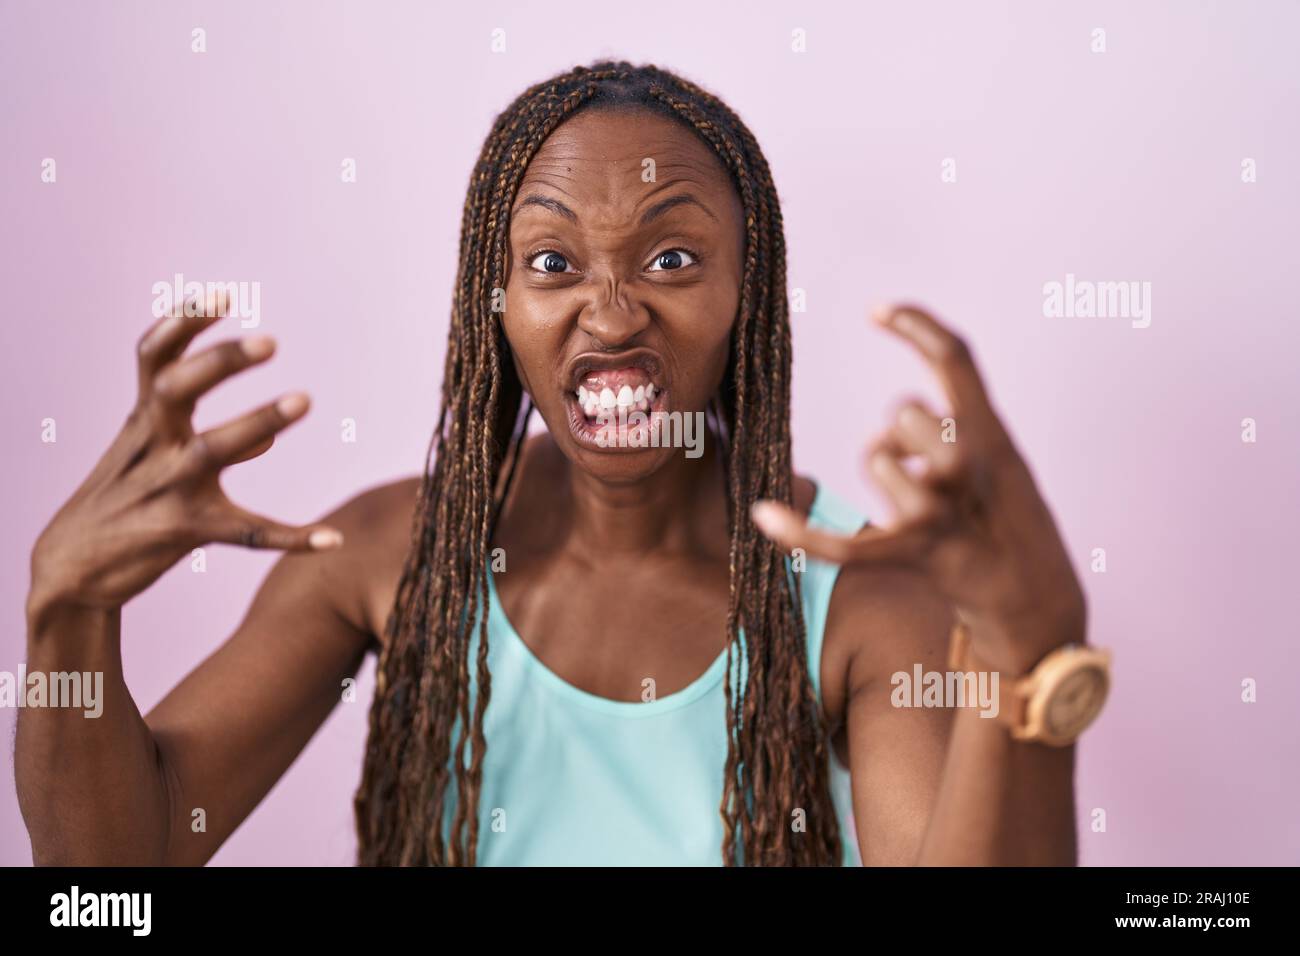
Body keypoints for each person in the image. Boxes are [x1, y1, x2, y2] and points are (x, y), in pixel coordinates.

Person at [17, 62, 1099, 867]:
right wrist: (66, 605)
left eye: (672, 258)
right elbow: (113, 879)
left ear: (745, 296)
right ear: (496, 305)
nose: (614, 311)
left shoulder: (860, 596)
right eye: (551, 261)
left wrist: (1027, 658)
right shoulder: (389, 552)